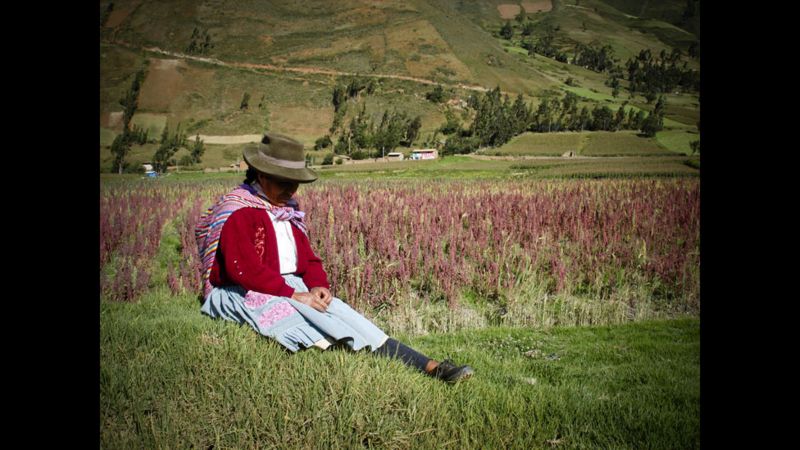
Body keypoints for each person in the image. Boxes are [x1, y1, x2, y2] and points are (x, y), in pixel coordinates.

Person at [195, 132, 474, 383]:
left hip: (282, 286)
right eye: (284, 183)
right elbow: (243, 269)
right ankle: (378, 362)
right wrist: (292, 294)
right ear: (261, 175)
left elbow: (308, 259)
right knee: (315, 320)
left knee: (343, 313)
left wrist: (317, 285)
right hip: (247, 290)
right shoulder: (240, 210)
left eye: (295, 184)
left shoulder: (286, 210)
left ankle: (429, 366)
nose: (291, 191)